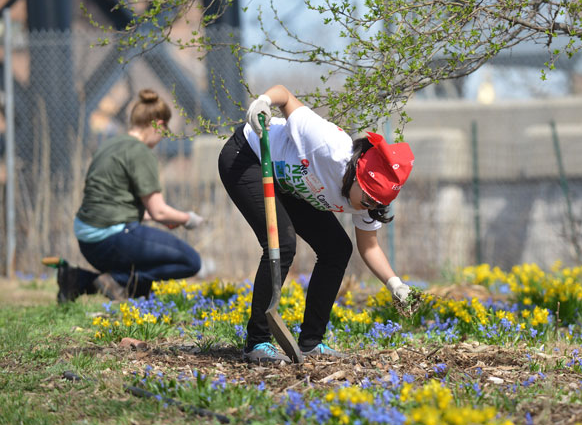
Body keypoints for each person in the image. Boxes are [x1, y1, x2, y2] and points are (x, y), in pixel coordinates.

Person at [218, 85, 414, 363]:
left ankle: (311, 341)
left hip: (289, 184)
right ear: (356, 175)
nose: (370, 207)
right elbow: (284, 95)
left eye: (377, 204)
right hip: (248, 157)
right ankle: (257, 342)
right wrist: (263, 102)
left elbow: (369, 247)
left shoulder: (368, 199)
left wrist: (395, 284)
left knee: (337, 248)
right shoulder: (327, 145)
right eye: (369, 199)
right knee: (282, 244)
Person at [53, 89, 204, 303]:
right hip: (112, 239)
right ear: (158, 125)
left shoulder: (110, 145)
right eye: (164, 131)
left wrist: (167, 219)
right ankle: (117, 280)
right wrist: (189, 219)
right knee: (190, 261)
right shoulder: (140, 152)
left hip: (88, 241)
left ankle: (78, 279)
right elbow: (159, 211)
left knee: (144, 283)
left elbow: (117, 204)